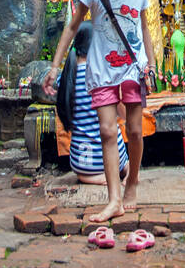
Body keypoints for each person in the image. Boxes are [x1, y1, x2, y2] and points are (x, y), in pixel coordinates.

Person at [44, 0, 157, 221]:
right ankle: (114, 199)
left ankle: (131, 180)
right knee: (107, 130)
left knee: (134, 130)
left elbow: (144, 28)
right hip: (101, 70)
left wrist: (152, 64)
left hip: (133, 68)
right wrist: (54, 67)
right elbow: (72, 27)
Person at [55, 22, 129, 185]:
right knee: (122, 152)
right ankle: (122, 172)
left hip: (81, 163)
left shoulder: (66, 79)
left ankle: (90, 177)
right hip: (114, 158)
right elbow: (124, 115)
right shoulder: (103, 77)